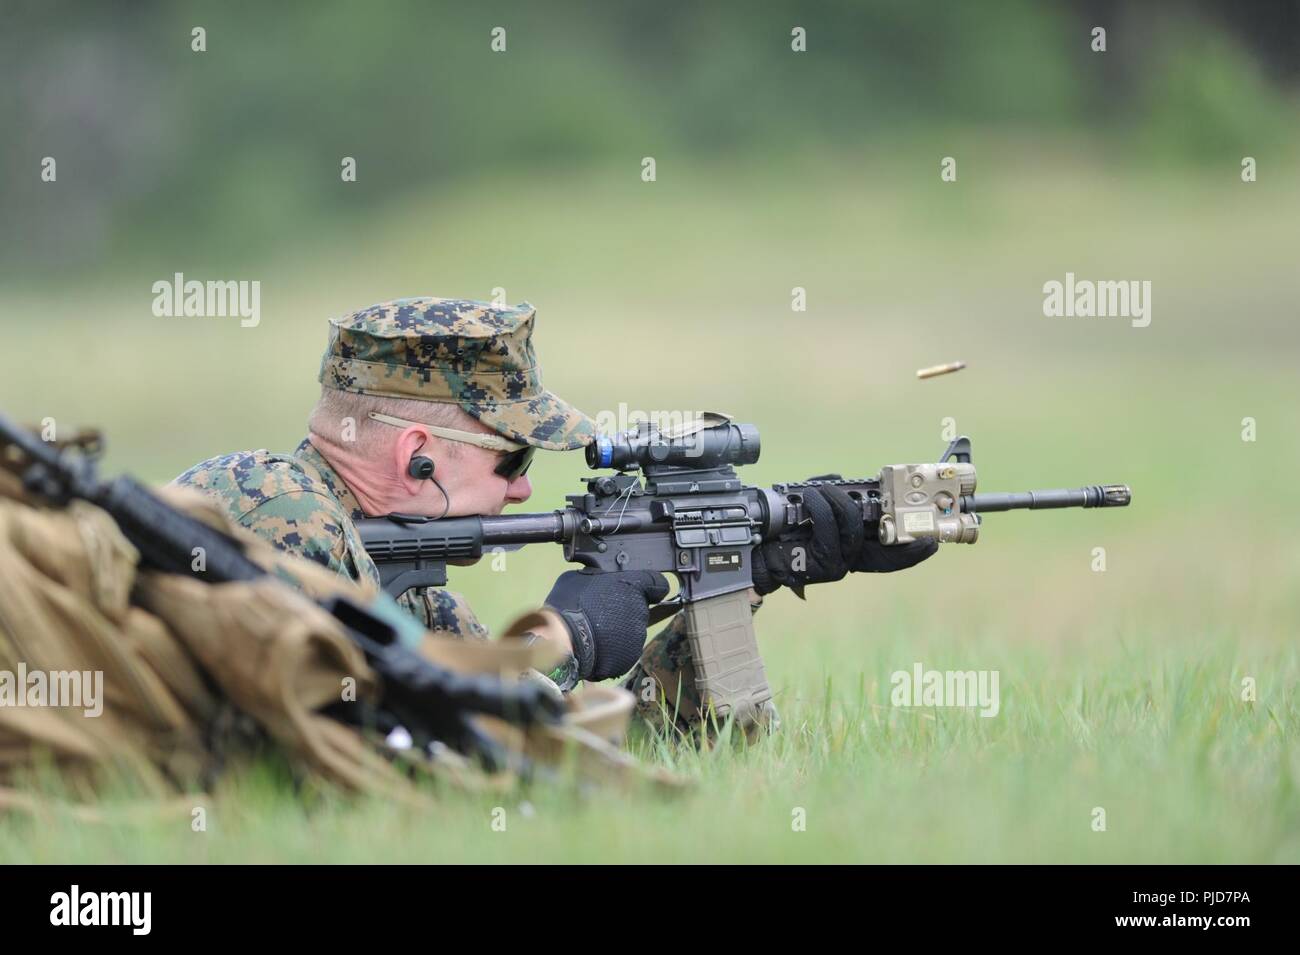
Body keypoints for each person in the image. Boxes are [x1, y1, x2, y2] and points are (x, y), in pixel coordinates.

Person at [174, 296, 935, 723]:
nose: (523, 490)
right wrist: (562, 635)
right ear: (417, 452)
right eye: (514, 457)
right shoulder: (275, 505)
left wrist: (741, 576)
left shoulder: (412, 594)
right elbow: (394, 743)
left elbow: (570, 752)